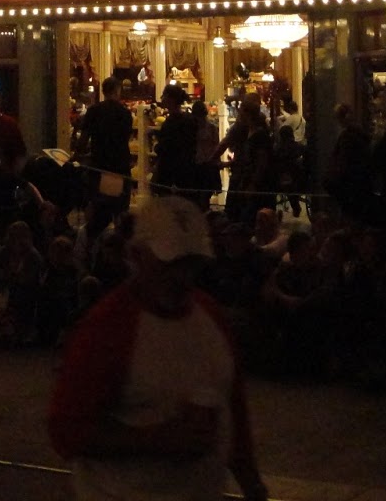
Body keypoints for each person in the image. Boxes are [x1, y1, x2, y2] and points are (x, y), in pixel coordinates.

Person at [48, 194, 268, 501]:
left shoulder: (210, 319)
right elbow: (66, 431)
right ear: (137, 256)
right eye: (171, 264)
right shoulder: (109, 328)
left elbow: (232, 407)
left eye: (190, 264)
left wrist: (251, 482)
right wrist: (160, 439)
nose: (182, 276)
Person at [74, 76, 134, 209]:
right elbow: (126, 137)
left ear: (103, 91)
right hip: (119, 163)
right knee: (120, 206)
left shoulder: (94, 111)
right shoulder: (124, 113)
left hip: (100, 163)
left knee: (99, 204)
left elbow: (84, 138)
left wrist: (78, 155)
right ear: (117, 90)